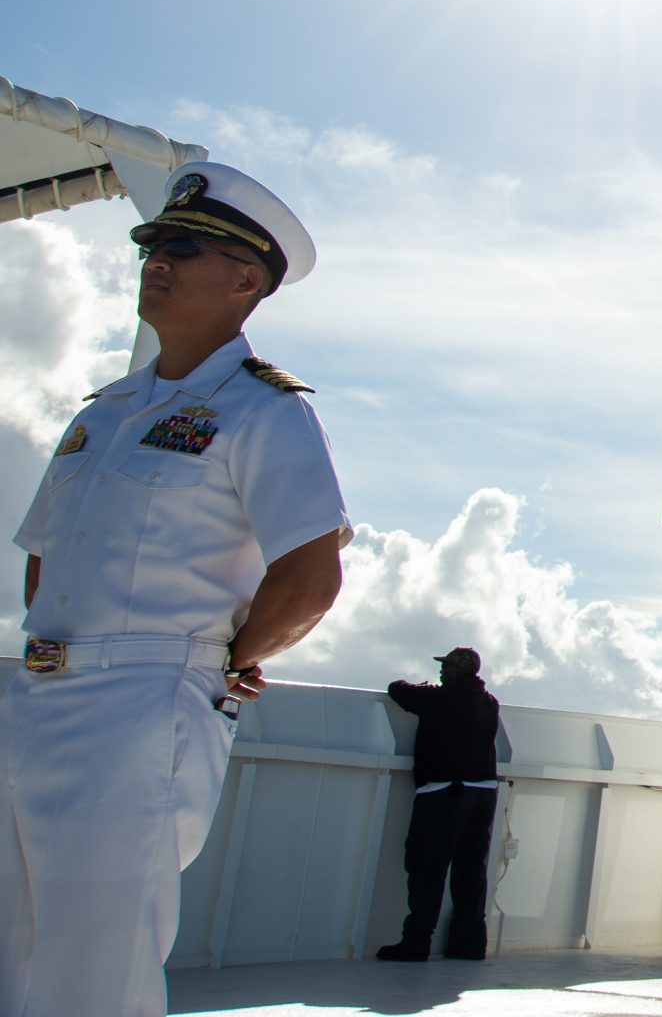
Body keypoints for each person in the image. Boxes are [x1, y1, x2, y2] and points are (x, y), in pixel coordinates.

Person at [1, 163, 349, 1017]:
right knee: (12, 955)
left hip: (141, 701)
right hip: (32, 692)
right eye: (153, 243)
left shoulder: (266, 412)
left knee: (97, 965)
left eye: (184, 247)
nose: (157, 259)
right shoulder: (103, 412)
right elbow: (46, 556)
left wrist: (223, 660)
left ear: (246, 281)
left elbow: (309, 575)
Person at [378, 646, 504, 962]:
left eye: (446, 666)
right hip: (483, 793)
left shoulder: (438, 699)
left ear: (458, 671)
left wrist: (421, 687)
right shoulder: (490, 703)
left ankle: (417, 941)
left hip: (444, 794)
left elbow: (397, 689)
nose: (441, 671)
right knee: (471, 871)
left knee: (427, 868)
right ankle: (469, 943)